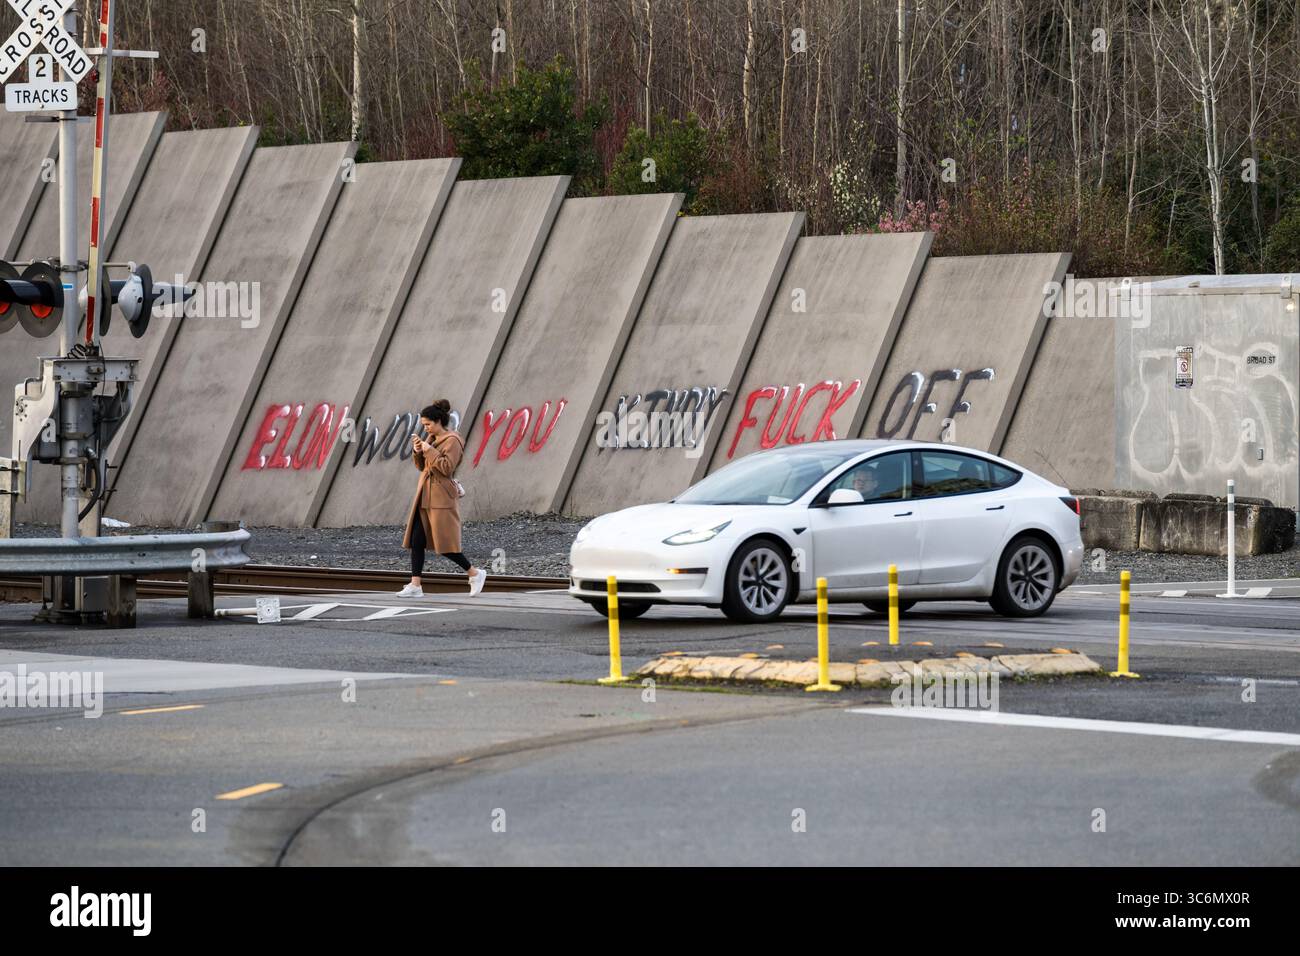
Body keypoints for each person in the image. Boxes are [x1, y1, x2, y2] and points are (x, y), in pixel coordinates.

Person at [396, 400, 486, 597]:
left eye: (428, 424)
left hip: (441, 497)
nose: (425, 427)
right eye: (424, 424)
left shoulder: (453, 440)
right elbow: (422, 467)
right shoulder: (432, 438)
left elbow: (446, 468)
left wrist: (429, 449)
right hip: (425, 494)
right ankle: (415, 585)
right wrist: (418, 451)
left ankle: (475, 573)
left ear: (438, 421)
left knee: (444, 543)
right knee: (417, 539)